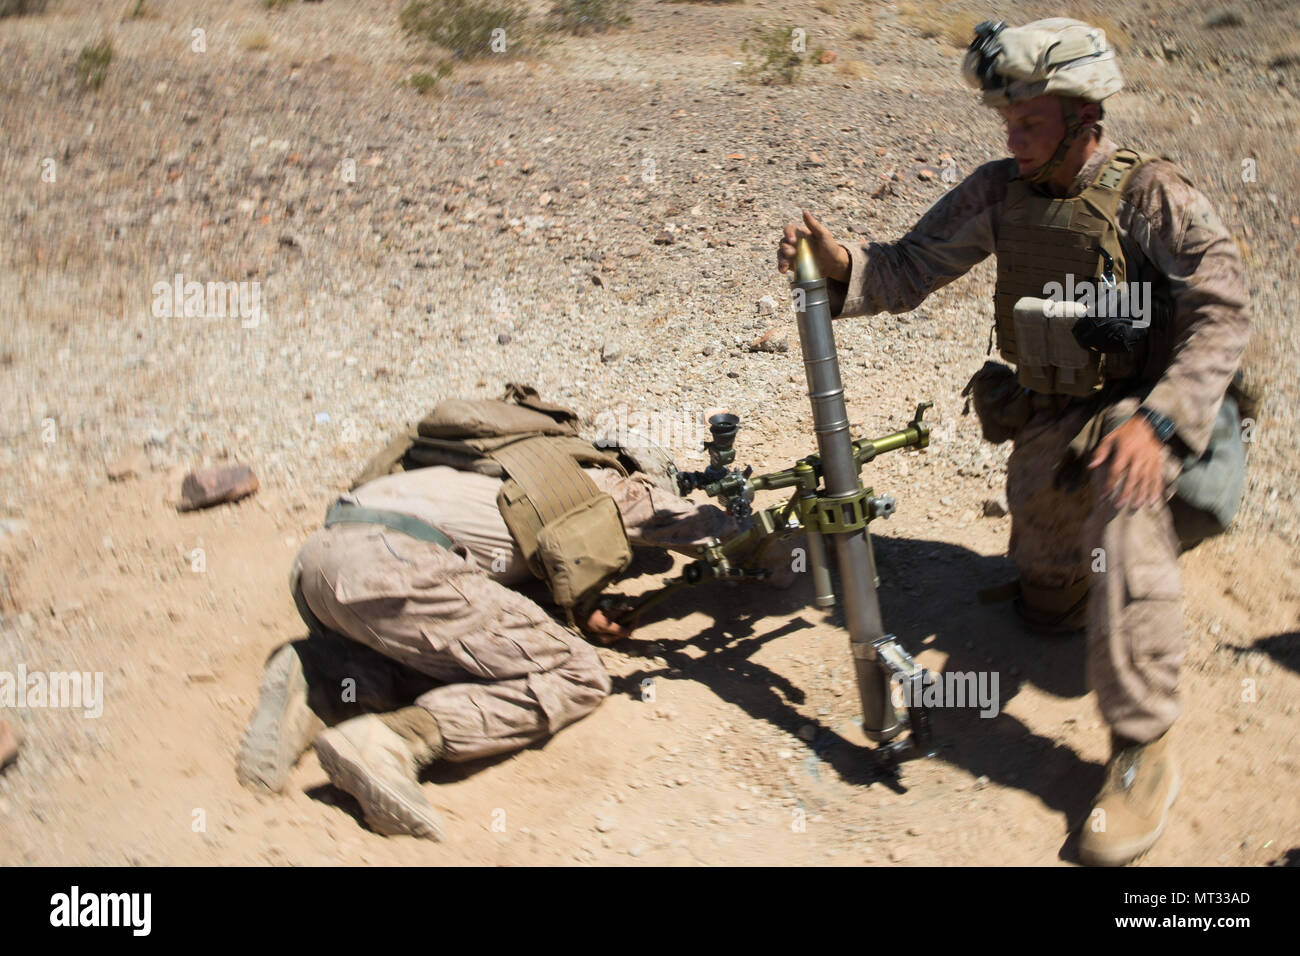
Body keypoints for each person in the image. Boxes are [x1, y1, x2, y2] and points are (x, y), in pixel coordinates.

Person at [777, 18, 1250, 865]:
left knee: (1124, 498)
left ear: (1083, 118)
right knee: (1046, 601)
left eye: (1030, 122)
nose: (1013, 137)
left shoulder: (1153, 194)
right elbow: (907, 267)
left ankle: (1143, 750)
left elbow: (1224, 309)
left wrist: (1160, 420)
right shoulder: (1001, 189)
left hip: (1143, 413)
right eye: (1008, 122)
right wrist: (839, 258)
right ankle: (1082, 579)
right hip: (1049, 419)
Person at [236, 396, 776, 840]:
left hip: (322, 567)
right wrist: (778, 552)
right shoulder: (604, 482)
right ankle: (393, 741)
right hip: (399, 569)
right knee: (576, 675)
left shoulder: (496, 468)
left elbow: (500, 568)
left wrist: (580, 609)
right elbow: (706, 529)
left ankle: (328, 674)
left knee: (466, 659)